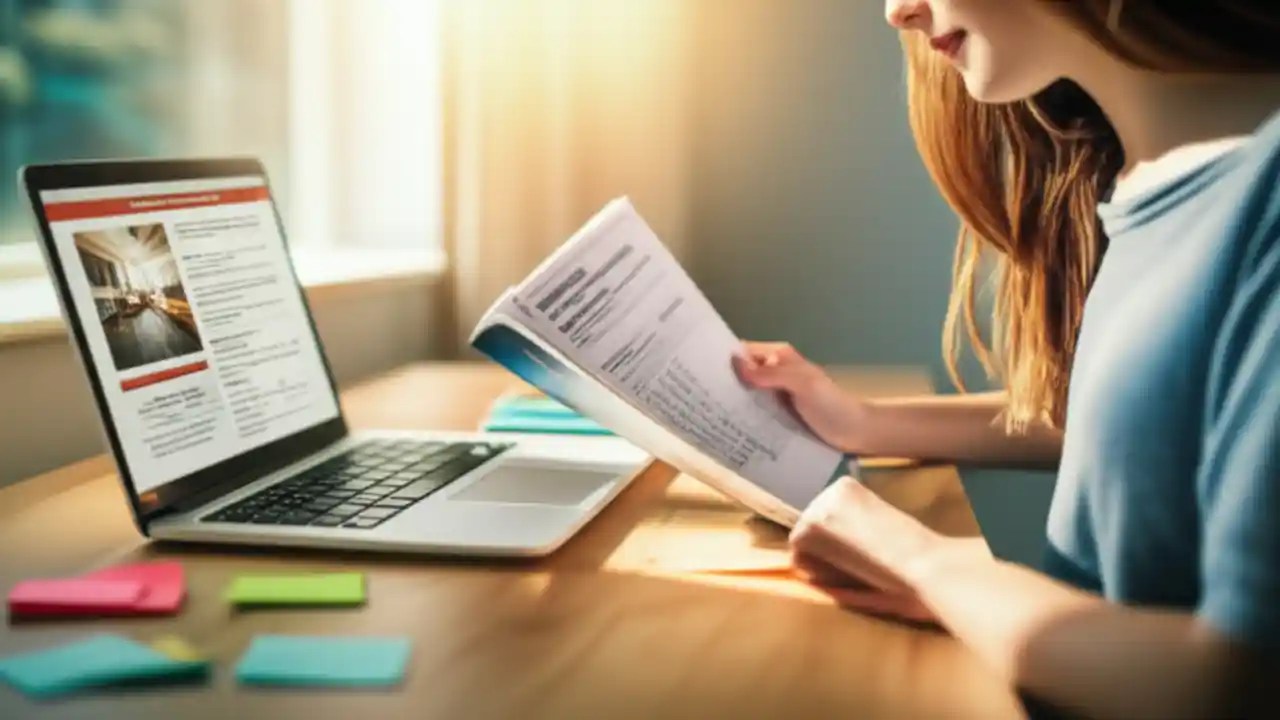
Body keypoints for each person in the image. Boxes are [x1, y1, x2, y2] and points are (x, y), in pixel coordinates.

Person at [733, 1, 1280, 717]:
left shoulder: (1261, 204)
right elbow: (1145, 423)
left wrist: (923, 563)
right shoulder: (1150, 181)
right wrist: (866, 423)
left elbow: (1231, 684)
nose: (899, 11)